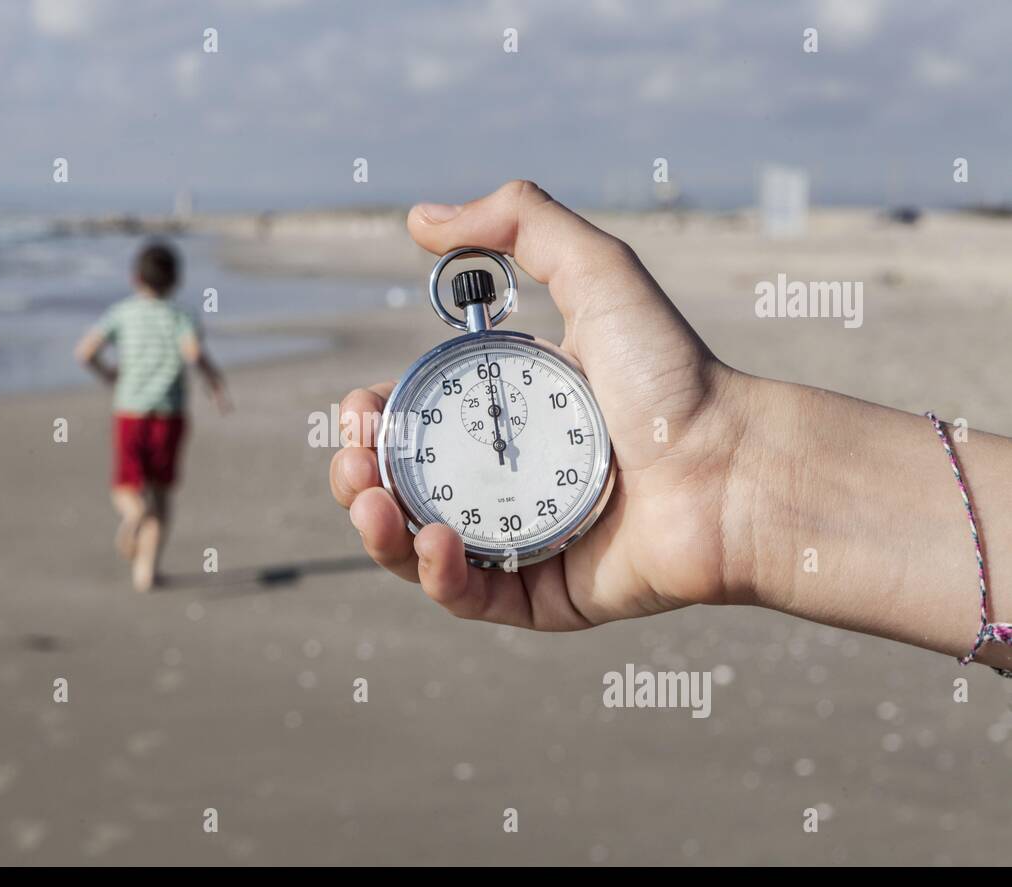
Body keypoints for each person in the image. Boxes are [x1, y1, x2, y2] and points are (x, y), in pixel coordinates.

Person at [329, 180, 1012, 675]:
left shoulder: (539, 378)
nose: (506, 446)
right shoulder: (507, 376)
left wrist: (724, 467)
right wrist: (730, 483)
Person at [76, 240, 230, 591]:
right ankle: (146, 572)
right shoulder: (181, 315)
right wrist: (215, 383)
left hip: (130, 413)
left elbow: (84, 352)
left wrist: (108, 374)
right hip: (169, 416)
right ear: (175, 281)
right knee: (161, 494)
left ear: (134, 278)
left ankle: (132, 513)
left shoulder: (121, 313)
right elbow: (192, 354)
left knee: (126, 487)